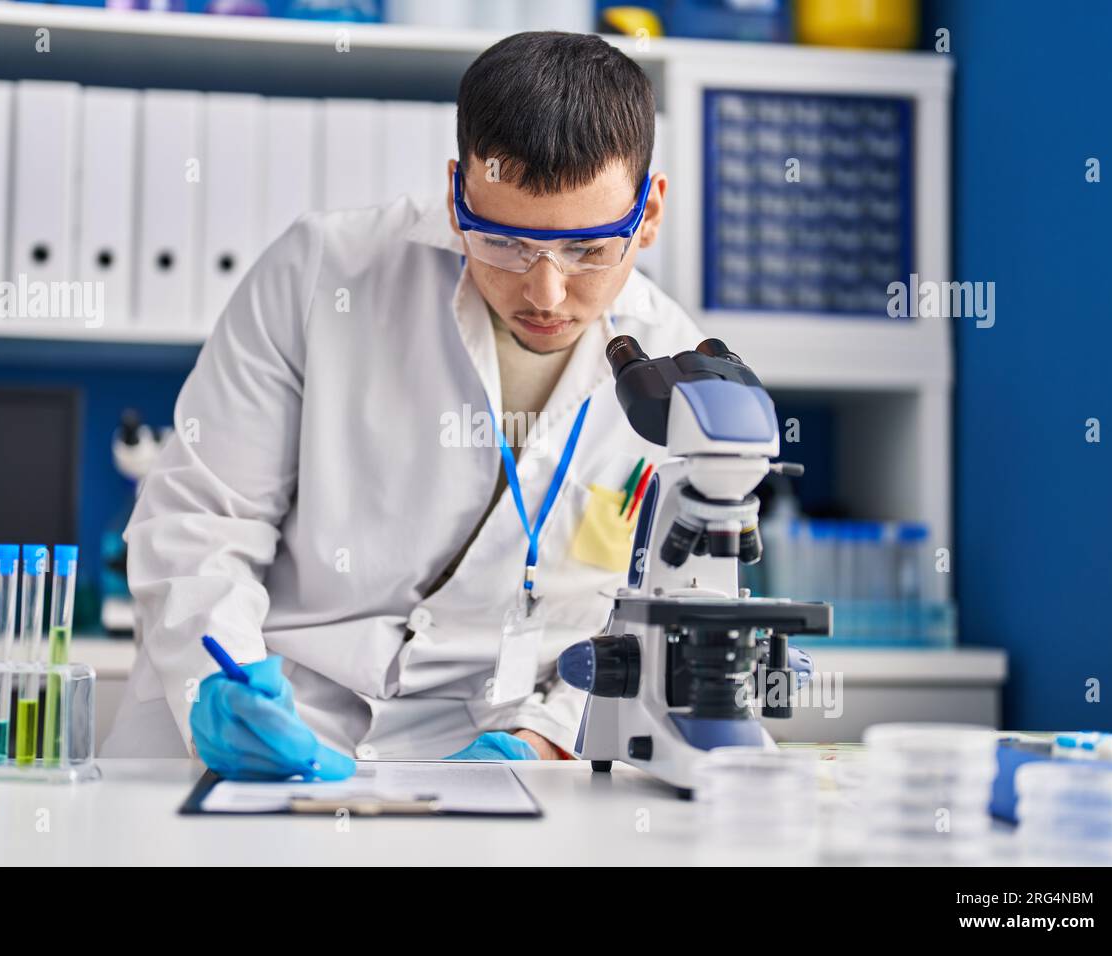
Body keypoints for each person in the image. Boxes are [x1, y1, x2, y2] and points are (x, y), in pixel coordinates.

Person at [100, 31, 704, 777]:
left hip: (489, 751)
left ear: (648, 215)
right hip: (276, 714)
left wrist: (546, 737)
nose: (546, 293)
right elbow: (200, 521)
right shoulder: (324, 272)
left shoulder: (681, 375)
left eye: (587, 248)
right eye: (506, 244)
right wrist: (219, 689)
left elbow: (649, 624)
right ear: (458, 196)